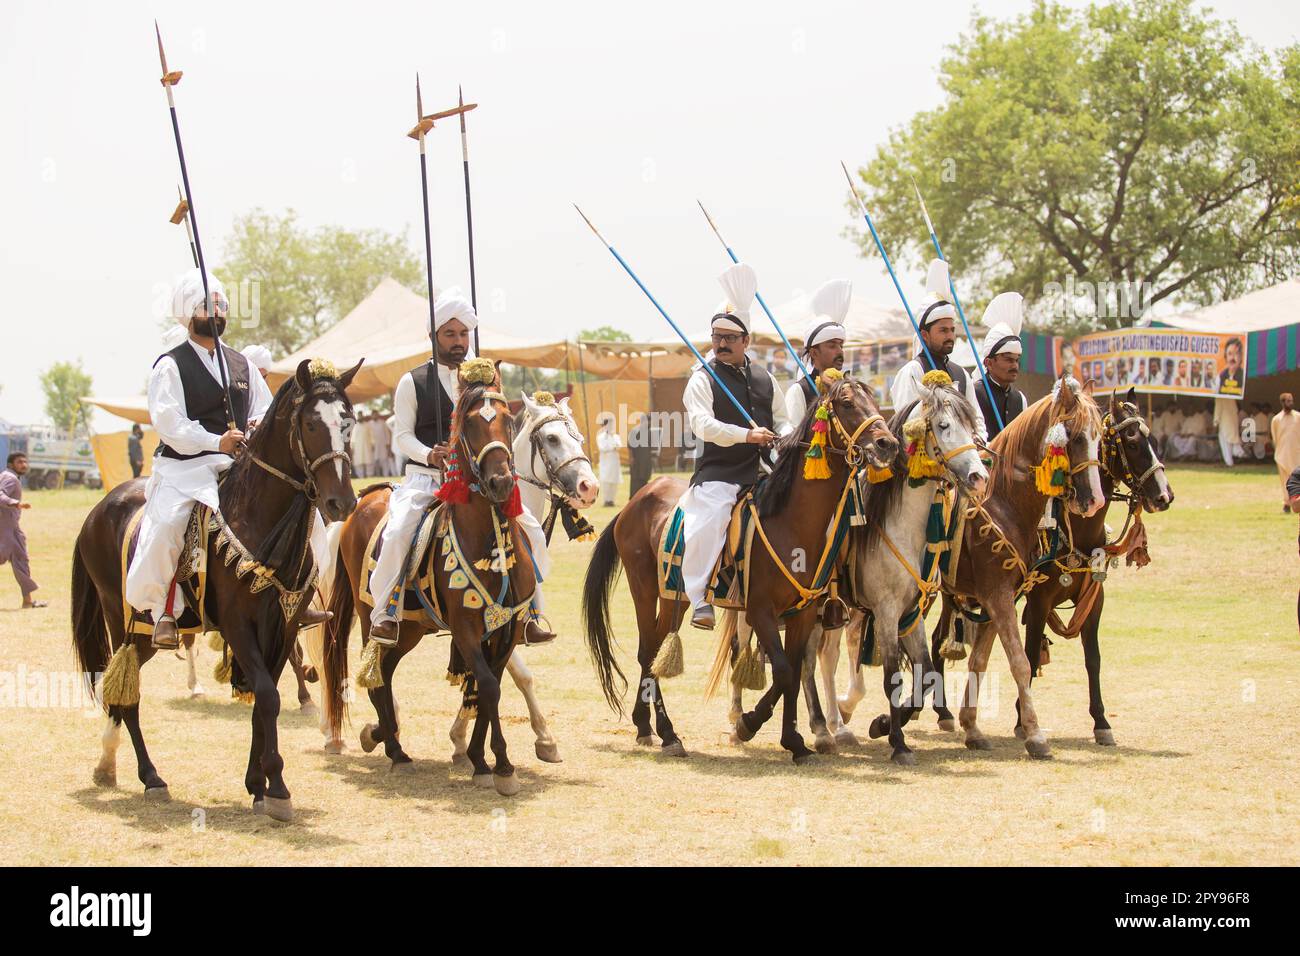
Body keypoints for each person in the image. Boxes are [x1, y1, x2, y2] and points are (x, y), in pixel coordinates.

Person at [124, 269, 329, 648]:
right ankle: (162, 610)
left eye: (220, 305)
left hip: (237, 464)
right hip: (185, 467)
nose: (216, 312)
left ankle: (300, 595)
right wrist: (214, 441)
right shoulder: (170, 365)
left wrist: (254, 427)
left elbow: (266, 413)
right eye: (207, 306)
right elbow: (169, 423)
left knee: (306, 515)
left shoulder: (242, 364)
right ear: (188, 314)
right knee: (169, 524)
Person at [367, 289, 553, 647]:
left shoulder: (485, 379)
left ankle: (530, 614)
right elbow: (402, 436)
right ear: (433, 336)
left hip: (481, 482)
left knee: (532, 531)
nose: (458, 342)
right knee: (398, 532)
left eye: (463, 334)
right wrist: (429, 455)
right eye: (450, 334)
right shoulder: (413, 381)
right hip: (427, 480)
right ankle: (386, 613)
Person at [679, 263, 789, 630]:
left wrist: (783, 435)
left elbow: (782, 417)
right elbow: (703, 425)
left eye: (729, 337)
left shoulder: (765, 377)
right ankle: (699, 598)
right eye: (716, 336)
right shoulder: (702, 378)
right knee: (709, 522)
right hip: (720, 471)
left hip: (765, 469)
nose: (721, 343)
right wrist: (747, 436)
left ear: (746, 341)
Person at [890, 259, 986, 440]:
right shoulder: (912, 371)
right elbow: (908, 426)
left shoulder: (962, 374)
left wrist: (979, 438)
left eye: (952, 330)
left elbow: (977, 419)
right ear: (924, 335)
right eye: (942, 330)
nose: (950, 336)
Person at [785, 278, 851, 426]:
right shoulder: (800, 391)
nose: (839, 351)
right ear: (814, 353)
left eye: (841, 345)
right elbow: (791, 440)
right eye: (832, 345)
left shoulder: (850, 388)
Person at [973, 291, 1028, 440]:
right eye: (1009, 360)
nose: (1015, 366)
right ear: (988, 363)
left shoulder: (1019, 399)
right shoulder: (972, 393)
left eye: (1016, 360)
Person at [1, 453, 44, 608]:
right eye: (20, 462)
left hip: (10, 528)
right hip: (6, 530)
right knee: (20, 561)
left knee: (21, 561)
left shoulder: (9, 476)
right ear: (11, 464)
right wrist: (16, 504)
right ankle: (27, 600)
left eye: (25, 462)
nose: (24, 465)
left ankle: (28, 601)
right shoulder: (10, 478)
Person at [1272, 393, 1300, 512]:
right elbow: (1275, 438)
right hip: (1282, 455)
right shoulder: (1276, 419)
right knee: (1285, 481)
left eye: (1291, 401)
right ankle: (1286, 504)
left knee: (1296, 481)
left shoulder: (1298, 417)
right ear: (1282, 403)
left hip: (1296, 454)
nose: (1290, 403)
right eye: (1288, 401)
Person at [595, 412, 623, 507]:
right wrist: (612, 447)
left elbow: (619, 445)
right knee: (606, 481)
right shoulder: (600, 437)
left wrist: (612, 446)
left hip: (614, 461)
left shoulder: (615, 436)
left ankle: (612, 500)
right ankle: (606, 500)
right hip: (605, 462)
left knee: (614, 481)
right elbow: (602, 448)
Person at [628, 412, 655, 498]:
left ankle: (643, 495)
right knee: (636, 479)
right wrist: (631, 458)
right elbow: (630, 446)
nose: (649, 423)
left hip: (646, 459)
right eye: (648, 421)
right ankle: (634, 497)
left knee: (645, 477)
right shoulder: (635, 431)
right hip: (637, 459)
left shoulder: (649, 431)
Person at [1213, 396, 1242, 466]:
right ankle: (1237, 455)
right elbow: (1236, 410)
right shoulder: (1232, 397)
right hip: (1233, 423)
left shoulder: (1219, 398)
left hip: (1224, 424)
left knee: (1225, 443)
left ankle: (1229, 462)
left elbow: (1217, 411)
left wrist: (1215, 424)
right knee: (1231, 441)